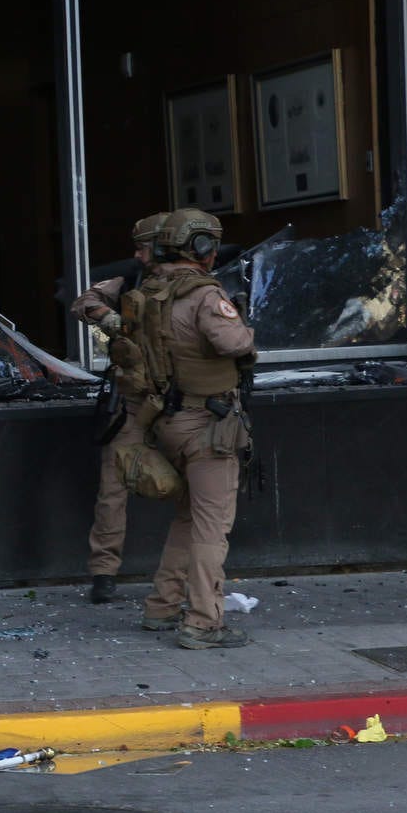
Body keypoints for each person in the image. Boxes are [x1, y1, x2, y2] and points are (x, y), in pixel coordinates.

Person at [121, 207, 257, 649]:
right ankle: (203, 622)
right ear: (202, 247)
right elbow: (234, 342)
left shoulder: (152, 291)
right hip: (209, 423)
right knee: (211, 527)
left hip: (169, 421)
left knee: (187, 519)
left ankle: (162, 607)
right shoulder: (203, 295)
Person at [69, 211, 168, 603]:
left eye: (145, 248)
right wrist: (114, 321)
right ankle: (104, 571)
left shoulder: (195, 287)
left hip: (180, 404)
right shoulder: (132, 281)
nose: (140, 256)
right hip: (134, 401)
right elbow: (85, 302)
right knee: (112, 487)